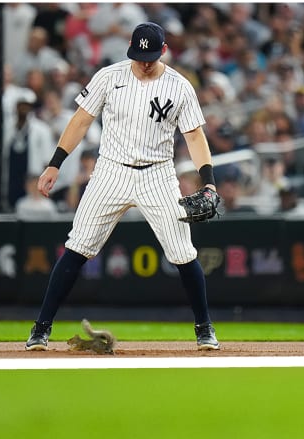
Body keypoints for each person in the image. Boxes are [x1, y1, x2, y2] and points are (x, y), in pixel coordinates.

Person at [25, 22, 221, 352]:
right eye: (138, 55)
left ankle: (204, 328)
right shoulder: (109, 76)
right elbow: (81, 121)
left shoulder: (180, 86)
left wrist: (210, 183)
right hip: (110, 171)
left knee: (183, 253)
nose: (143, 62)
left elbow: (194, 137)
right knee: (78, 246)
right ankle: (41, 328)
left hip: (157, 175)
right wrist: (55, 163)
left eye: (149, 56)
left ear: (163, 51)